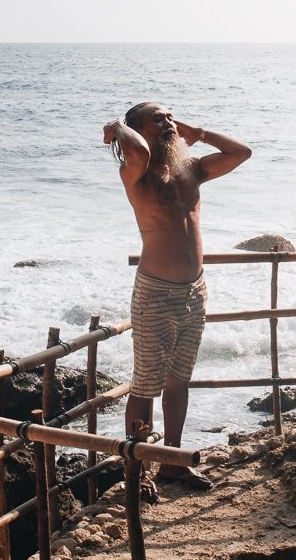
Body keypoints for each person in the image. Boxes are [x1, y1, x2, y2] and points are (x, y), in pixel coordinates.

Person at [103, 103, 252, 489]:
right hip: (156, 293)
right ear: (138, 129)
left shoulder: (192, 169)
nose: (168, 122)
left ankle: (172, 462)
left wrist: (197, 132)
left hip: (194, 291)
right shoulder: (136, 173)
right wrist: (117, 126)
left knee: (178, 381)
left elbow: (241, 152)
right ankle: (137, 472)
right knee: (145, 385)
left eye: (170, 116)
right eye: (158, 119)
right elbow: (138, 151)